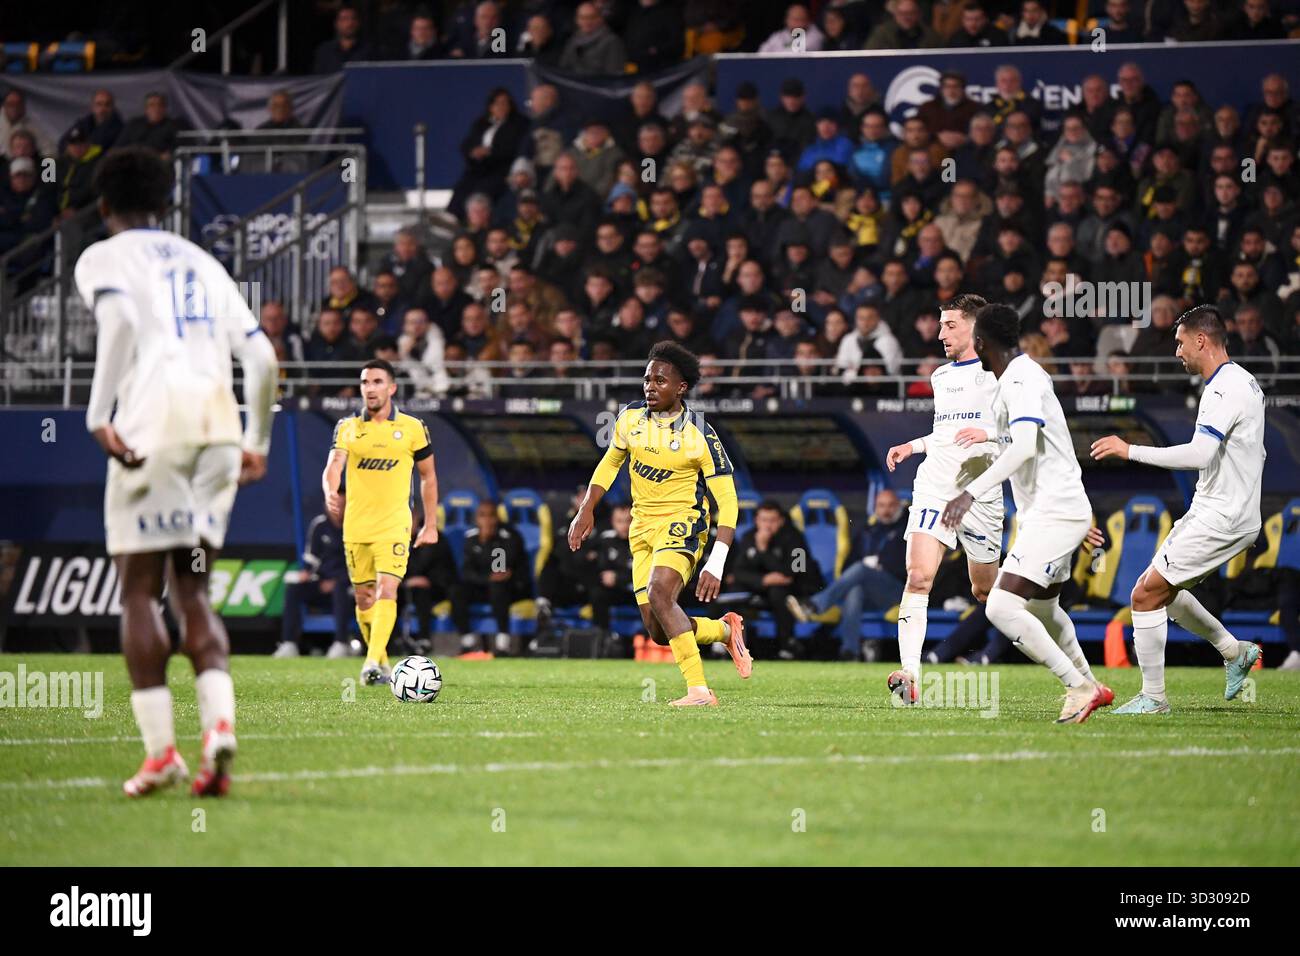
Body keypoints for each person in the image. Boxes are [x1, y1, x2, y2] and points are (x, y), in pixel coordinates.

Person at [75, 146, 278, 797]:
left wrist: (98, 412)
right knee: (193, 589)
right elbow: (265, 358)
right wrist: (257, 439)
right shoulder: (204, 261)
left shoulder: (104, 256)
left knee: (139, 589)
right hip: (218, 431)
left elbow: (121, 319)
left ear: (103, 204)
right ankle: (218, 728)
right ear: (167, 202)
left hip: (151, 431)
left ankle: (161, 753)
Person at [941, 303, 1113, 724]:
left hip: (1056, 512)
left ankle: (1079, 687)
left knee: (999, 607)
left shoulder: (1021, 377)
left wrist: (970, 493)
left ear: (981, 342)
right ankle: (1094, 686)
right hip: (1052, 514)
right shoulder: (1014, 380)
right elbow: (1032, 443)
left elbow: (1024, 447)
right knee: (1043, 611)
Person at [1091, 305, 1265, 712]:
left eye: (1180, 342)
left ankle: (1154, 697)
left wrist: (1128, 449)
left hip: (1223, 514)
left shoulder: (1224, 389)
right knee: (1163, 590)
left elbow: (1200, 454)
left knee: (1144, 594)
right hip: (1224, 508)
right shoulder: (1244, 381)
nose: (1177, 351)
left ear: (1201, 340)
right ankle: (1233, 650)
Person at [567, 342, 750, 706]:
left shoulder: (700, 434)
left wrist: (716, 562)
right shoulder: (630, 419)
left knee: (660, 594)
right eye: (647, 379)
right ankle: (725, 630)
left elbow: (728, 501)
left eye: (660, 381)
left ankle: (699, 691)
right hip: (641, 527)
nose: (650, 386)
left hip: (683, 522)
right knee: (657, 629)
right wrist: (587, 507)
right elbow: (610, 463)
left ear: (681, 388)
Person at [879, 294, 1003, 692]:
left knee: (986, 592)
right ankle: (910, 675)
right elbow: (944, 434)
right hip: (936, 485)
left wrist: (989, 434)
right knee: (918, 576)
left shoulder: (1003, 375)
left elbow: (1029, 431)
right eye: (940, 324)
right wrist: (912, 447)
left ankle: (1059, 649)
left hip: (981, 489)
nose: (940, 333)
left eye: (949, 325)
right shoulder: (941, 377)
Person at [321, 360, 440, 686]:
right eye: (365, 382)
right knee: (363, 598)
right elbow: (334, 464)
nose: (370, 388)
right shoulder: (348, 427)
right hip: (356, 527)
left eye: (376, 381)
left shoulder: (413, 427)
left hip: (394, 525)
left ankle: (370, 661)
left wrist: (430, 524)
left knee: (388, 589)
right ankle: (383, 665)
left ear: (391, 388)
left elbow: (428, 477)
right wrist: (330, 489)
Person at [787, 491, 905, 661]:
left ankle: (815, 605)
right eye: (881, 505)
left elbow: (909, 565)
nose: (886, 510)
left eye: (891, 505)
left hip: (897, 591)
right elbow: (847, 565)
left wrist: (880, 566)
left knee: (861, 569)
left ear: (899, 506)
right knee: (854, 590)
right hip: (869, 593)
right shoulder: (868, 531)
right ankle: (850, 652)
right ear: (875, 508)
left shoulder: (908, 529)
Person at [274, 505, 353, 659]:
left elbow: (361, 563)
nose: (339, 508)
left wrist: (339, 580)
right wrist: (308, 573)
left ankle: (341, 643)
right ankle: (289, 643)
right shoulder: (319, 525)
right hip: (322, 584)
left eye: (343, 503)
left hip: (348, 587)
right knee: (294, 589)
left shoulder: (357, 525)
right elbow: (312, 559)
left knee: (340, 588)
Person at [454, 500, 532, 655]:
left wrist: (488, 541)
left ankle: (502, 643)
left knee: (498, 586)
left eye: (491, 516)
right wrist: (486, 577)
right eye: (482, 516)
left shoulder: (508, 536)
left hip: (511, 588)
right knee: (457, 590)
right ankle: (467, 642)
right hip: (482, 585)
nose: (487, 520)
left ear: (497, 518)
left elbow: (500, 569)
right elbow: (467, 571)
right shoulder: (471, 538)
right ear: (477, 519)